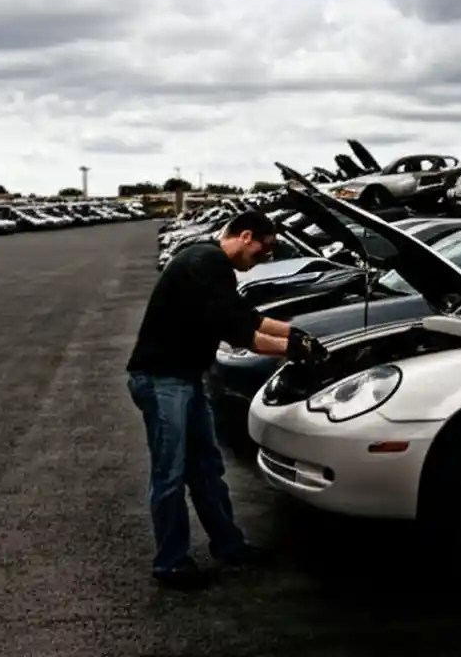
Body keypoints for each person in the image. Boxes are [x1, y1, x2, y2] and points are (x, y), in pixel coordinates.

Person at [125, 210, 324, 590]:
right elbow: (240, 334)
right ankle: (170, 563)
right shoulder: (209, 262)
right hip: (162, 379)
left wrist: (298, 332)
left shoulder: (206, 261)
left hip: (182, 379)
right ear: (245, 236)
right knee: (171, 473)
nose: (263, 260)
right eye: (263, 251)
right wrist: (294, 349)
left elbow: (245, 316)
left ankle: (229, 545)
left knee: (207, 468)